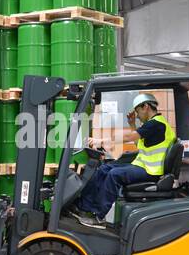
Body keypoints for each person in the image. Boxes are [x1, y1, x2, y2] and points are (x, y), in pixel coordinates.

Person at [69, 93, 175, 227]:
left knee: (114, 175)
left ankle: (99, 216)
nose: (137, 116)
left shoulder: (156, 124)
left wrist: (100, 140)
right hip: (144, 165)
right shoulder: (154, 125)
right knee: (105, 168)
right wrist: (132, 124)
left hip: (151, 170)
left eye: (138, 112)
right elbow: (139, 143)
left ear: (146, 107)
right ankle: (84, 207)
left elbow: (129, 138)